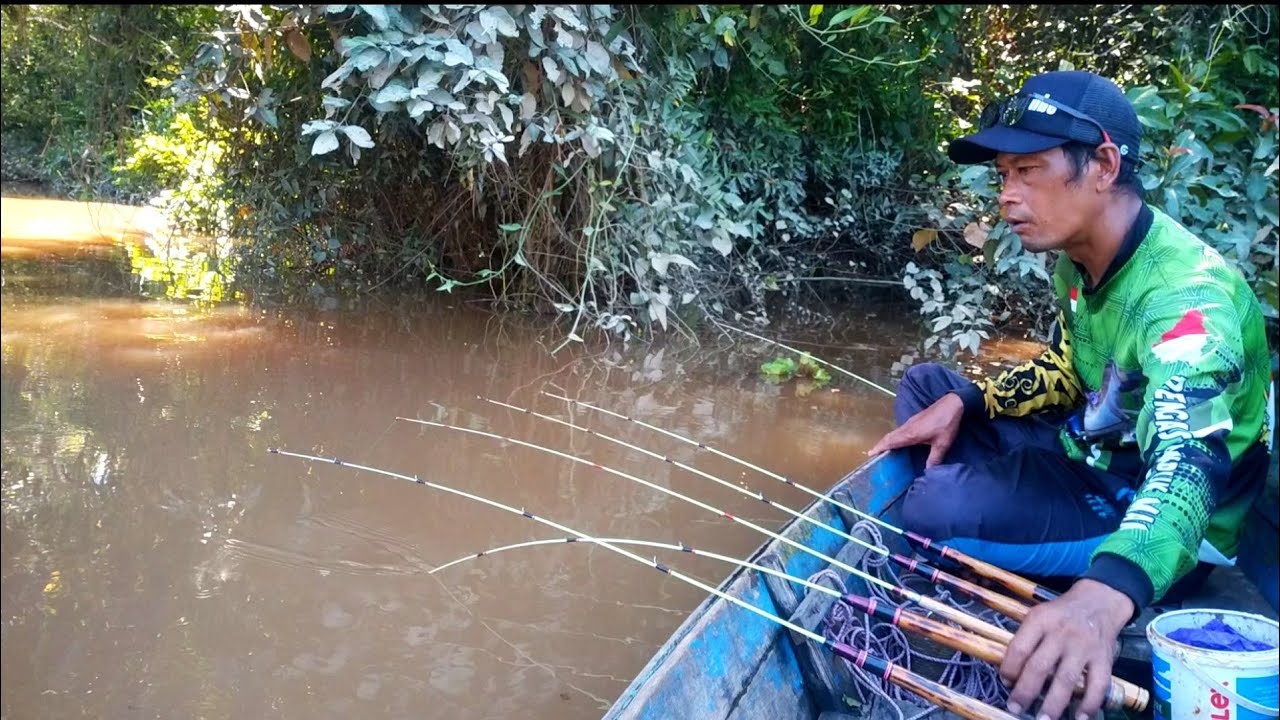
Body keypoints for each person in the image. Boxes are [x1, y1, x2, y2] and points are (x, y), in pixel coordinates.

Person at [867, 69, 1273, 720]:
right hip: (1089, 450)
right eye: (1002, 175)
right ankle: (988, 508)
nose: (1006, 195)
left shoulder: (1185, 304)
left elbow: (1187, 462)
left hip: (1145, 512)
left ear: (1104, 164)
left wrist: (1104, 597)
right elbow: (1072, 368)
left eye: (1027, 170)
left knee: (925, 512)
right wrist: (973, 404)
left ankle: (975, 524)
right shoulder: (1079, 261)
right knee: (929, 387)